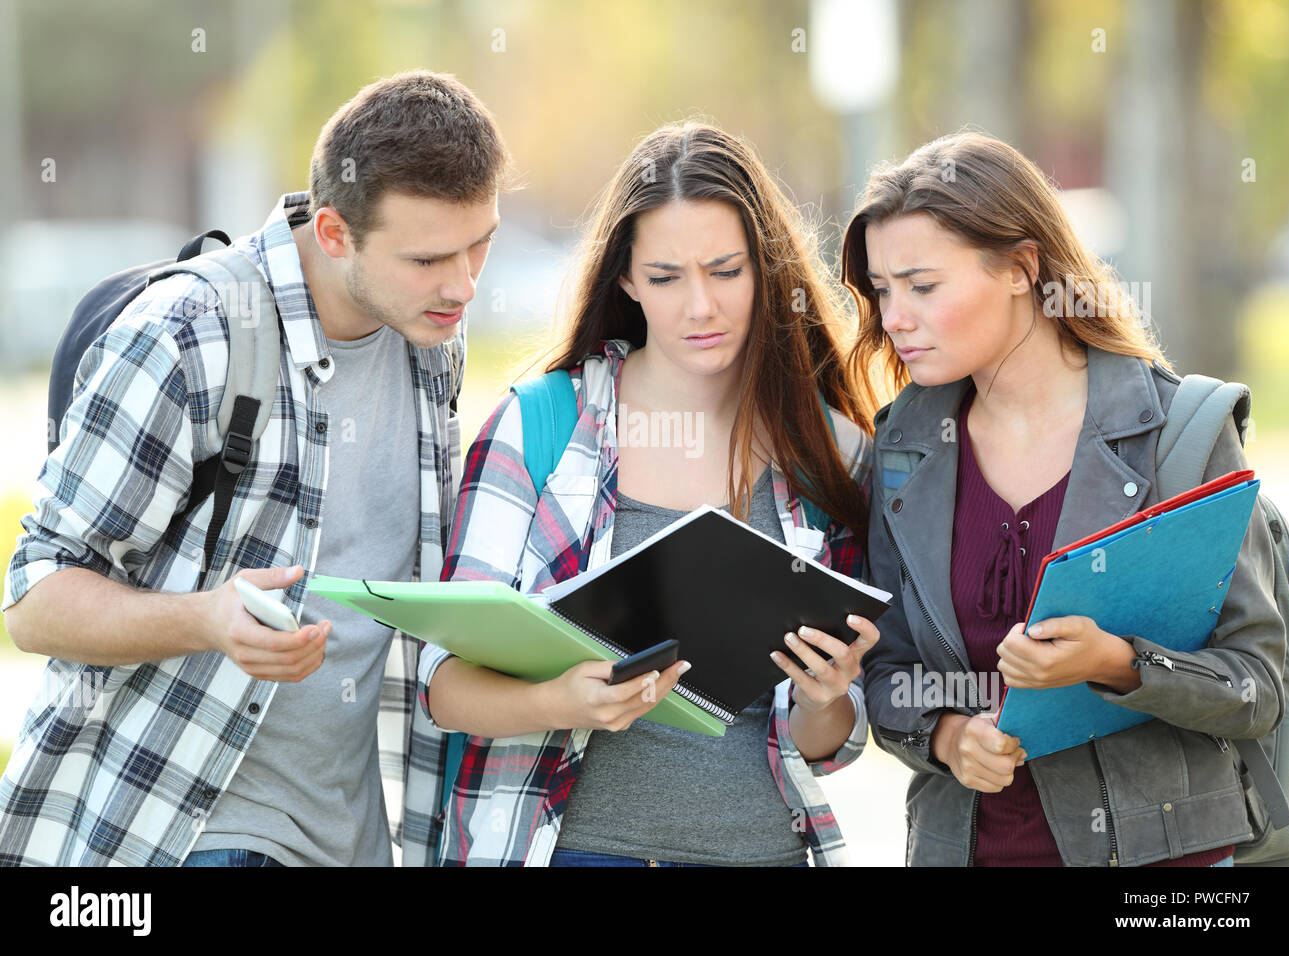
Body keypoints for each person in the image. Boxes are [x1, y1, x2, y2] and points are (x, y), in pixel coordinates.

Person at [0, 71, 509, 866]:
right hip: (191, 830)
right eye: (429, 257)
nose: (464, 284)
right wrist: (206, 620)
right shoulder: (189, 335)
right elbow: (34, 598)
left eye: (482, 243)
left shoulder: (430, 331)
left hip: (361, 837)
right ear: (336, 233)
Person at [415, 121, 878, 867]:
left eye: (726, 271)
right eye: (666, 277)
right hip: (574, 852)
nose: (701, 307)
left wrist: (826, 698)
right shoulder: (537, 429)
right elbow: (440, 684)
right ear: (625, 279)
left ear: (766, 269)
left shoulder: (829, 455)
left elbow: (827, 748)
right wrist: (560, 702)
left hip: (761, 852)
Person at [845, 131, 1286, 866]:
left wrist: (1116, 661)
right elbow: (884, 672)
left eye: (922, 287)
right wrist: (949, 737)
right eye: (883, 290)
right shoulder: (900, 449)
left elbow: (1255, 687)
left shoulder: (1180, 432)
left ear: (1022, 269)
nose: (893, 318)